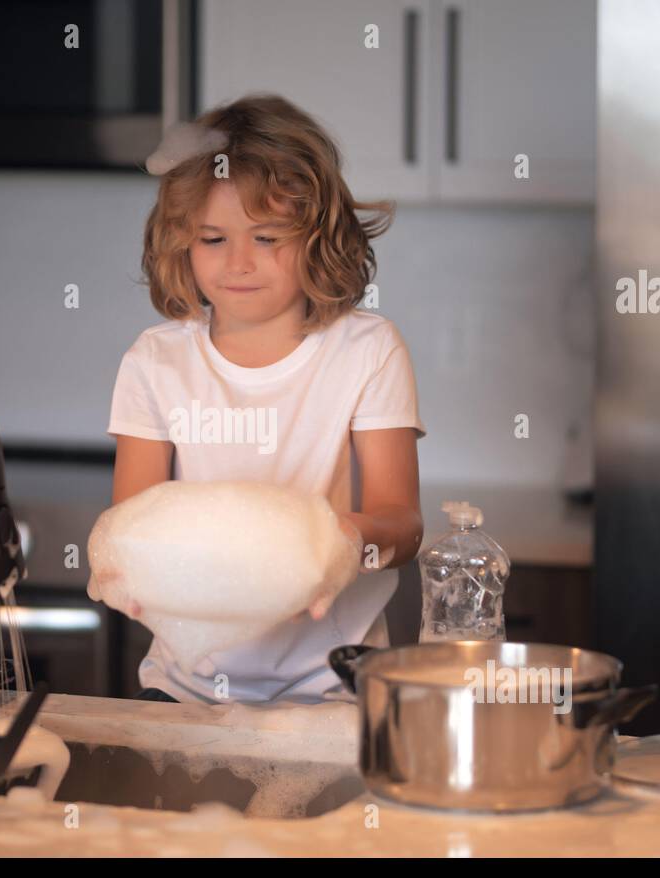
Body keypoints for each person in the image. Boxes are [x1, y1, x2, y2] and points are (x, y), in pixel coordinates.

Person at [94, 94, 426, 704]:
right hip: (185, 686)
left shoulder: (367, 349)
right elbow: (132, 525)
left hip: (334, 684)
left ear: (317, 235)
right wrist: (128, 570)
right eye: (213, 238)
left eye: (268, 236)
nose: (238, 263)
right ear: (181, 244)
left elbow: (402, 527)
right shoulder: (154, 361)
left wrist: (340, 547)